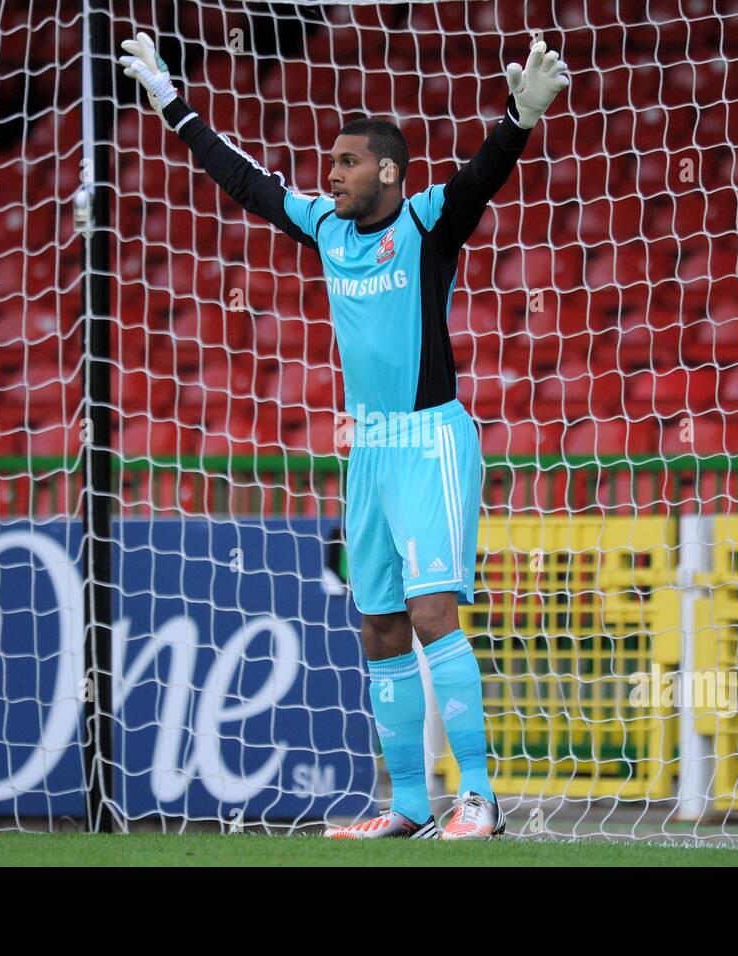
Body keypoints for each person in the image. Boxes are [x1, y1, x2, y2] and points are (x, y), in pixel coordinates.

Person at [120, 30, 569, 839]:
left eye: (348, 162)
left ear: (388, 172)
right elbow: (244, 182)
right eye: (330, 163)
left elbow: (479, 178)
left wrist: (520, 118)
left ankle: (479, 799)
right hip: (369, 449)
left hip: (432, 439)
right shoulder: (326, 227)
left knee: (434, 613)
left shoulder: (428, 223)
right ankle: (404, 803)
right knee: (380, 623)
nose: (331, 174)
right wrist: (170, 103)